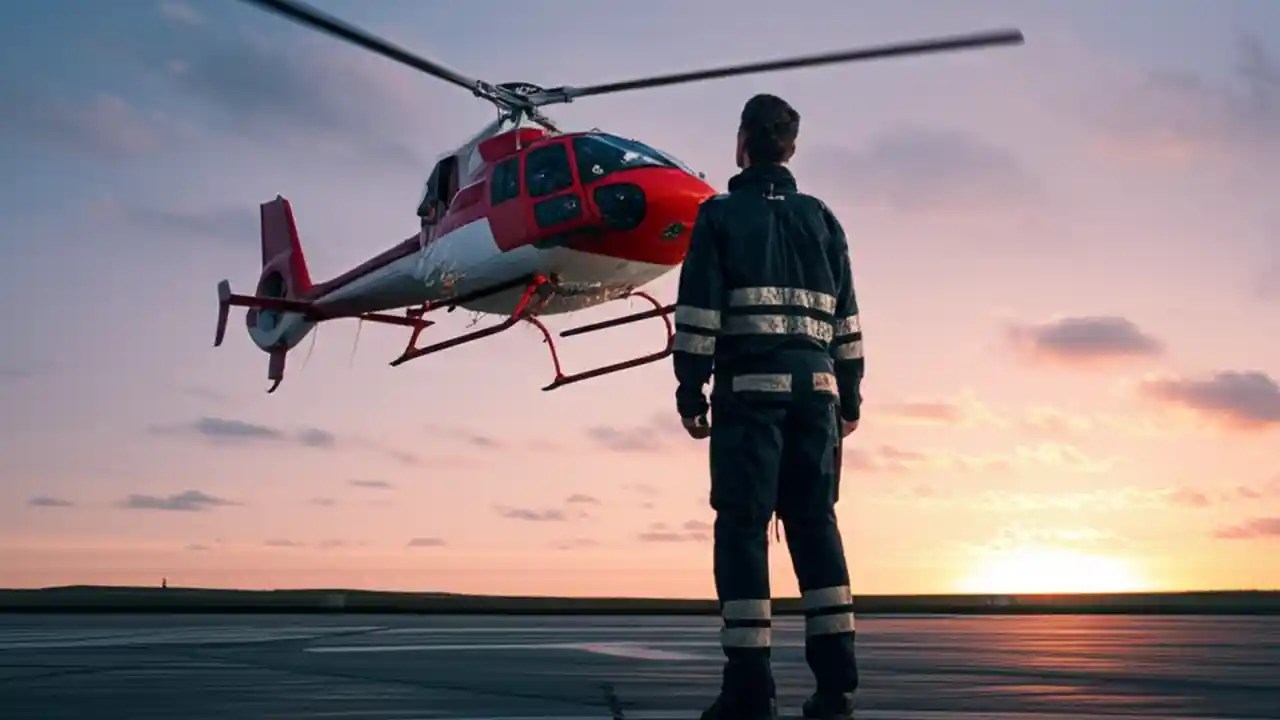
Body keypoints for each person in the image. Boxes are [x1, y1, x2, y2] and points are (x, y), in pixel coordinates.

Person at [672, 93, 864, 720]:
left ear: (742, 144)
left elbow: (698, 315)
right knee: (815, 528)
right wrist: (852, 395)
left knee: (743, 530)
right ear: (790, 149)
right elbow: (848, 322)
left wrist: (689, 388)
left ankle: (749, 688)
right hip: (819, 394)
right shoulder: (823, 218)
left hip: (750, 395)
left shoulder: (719, 216)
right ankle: (835, 688)